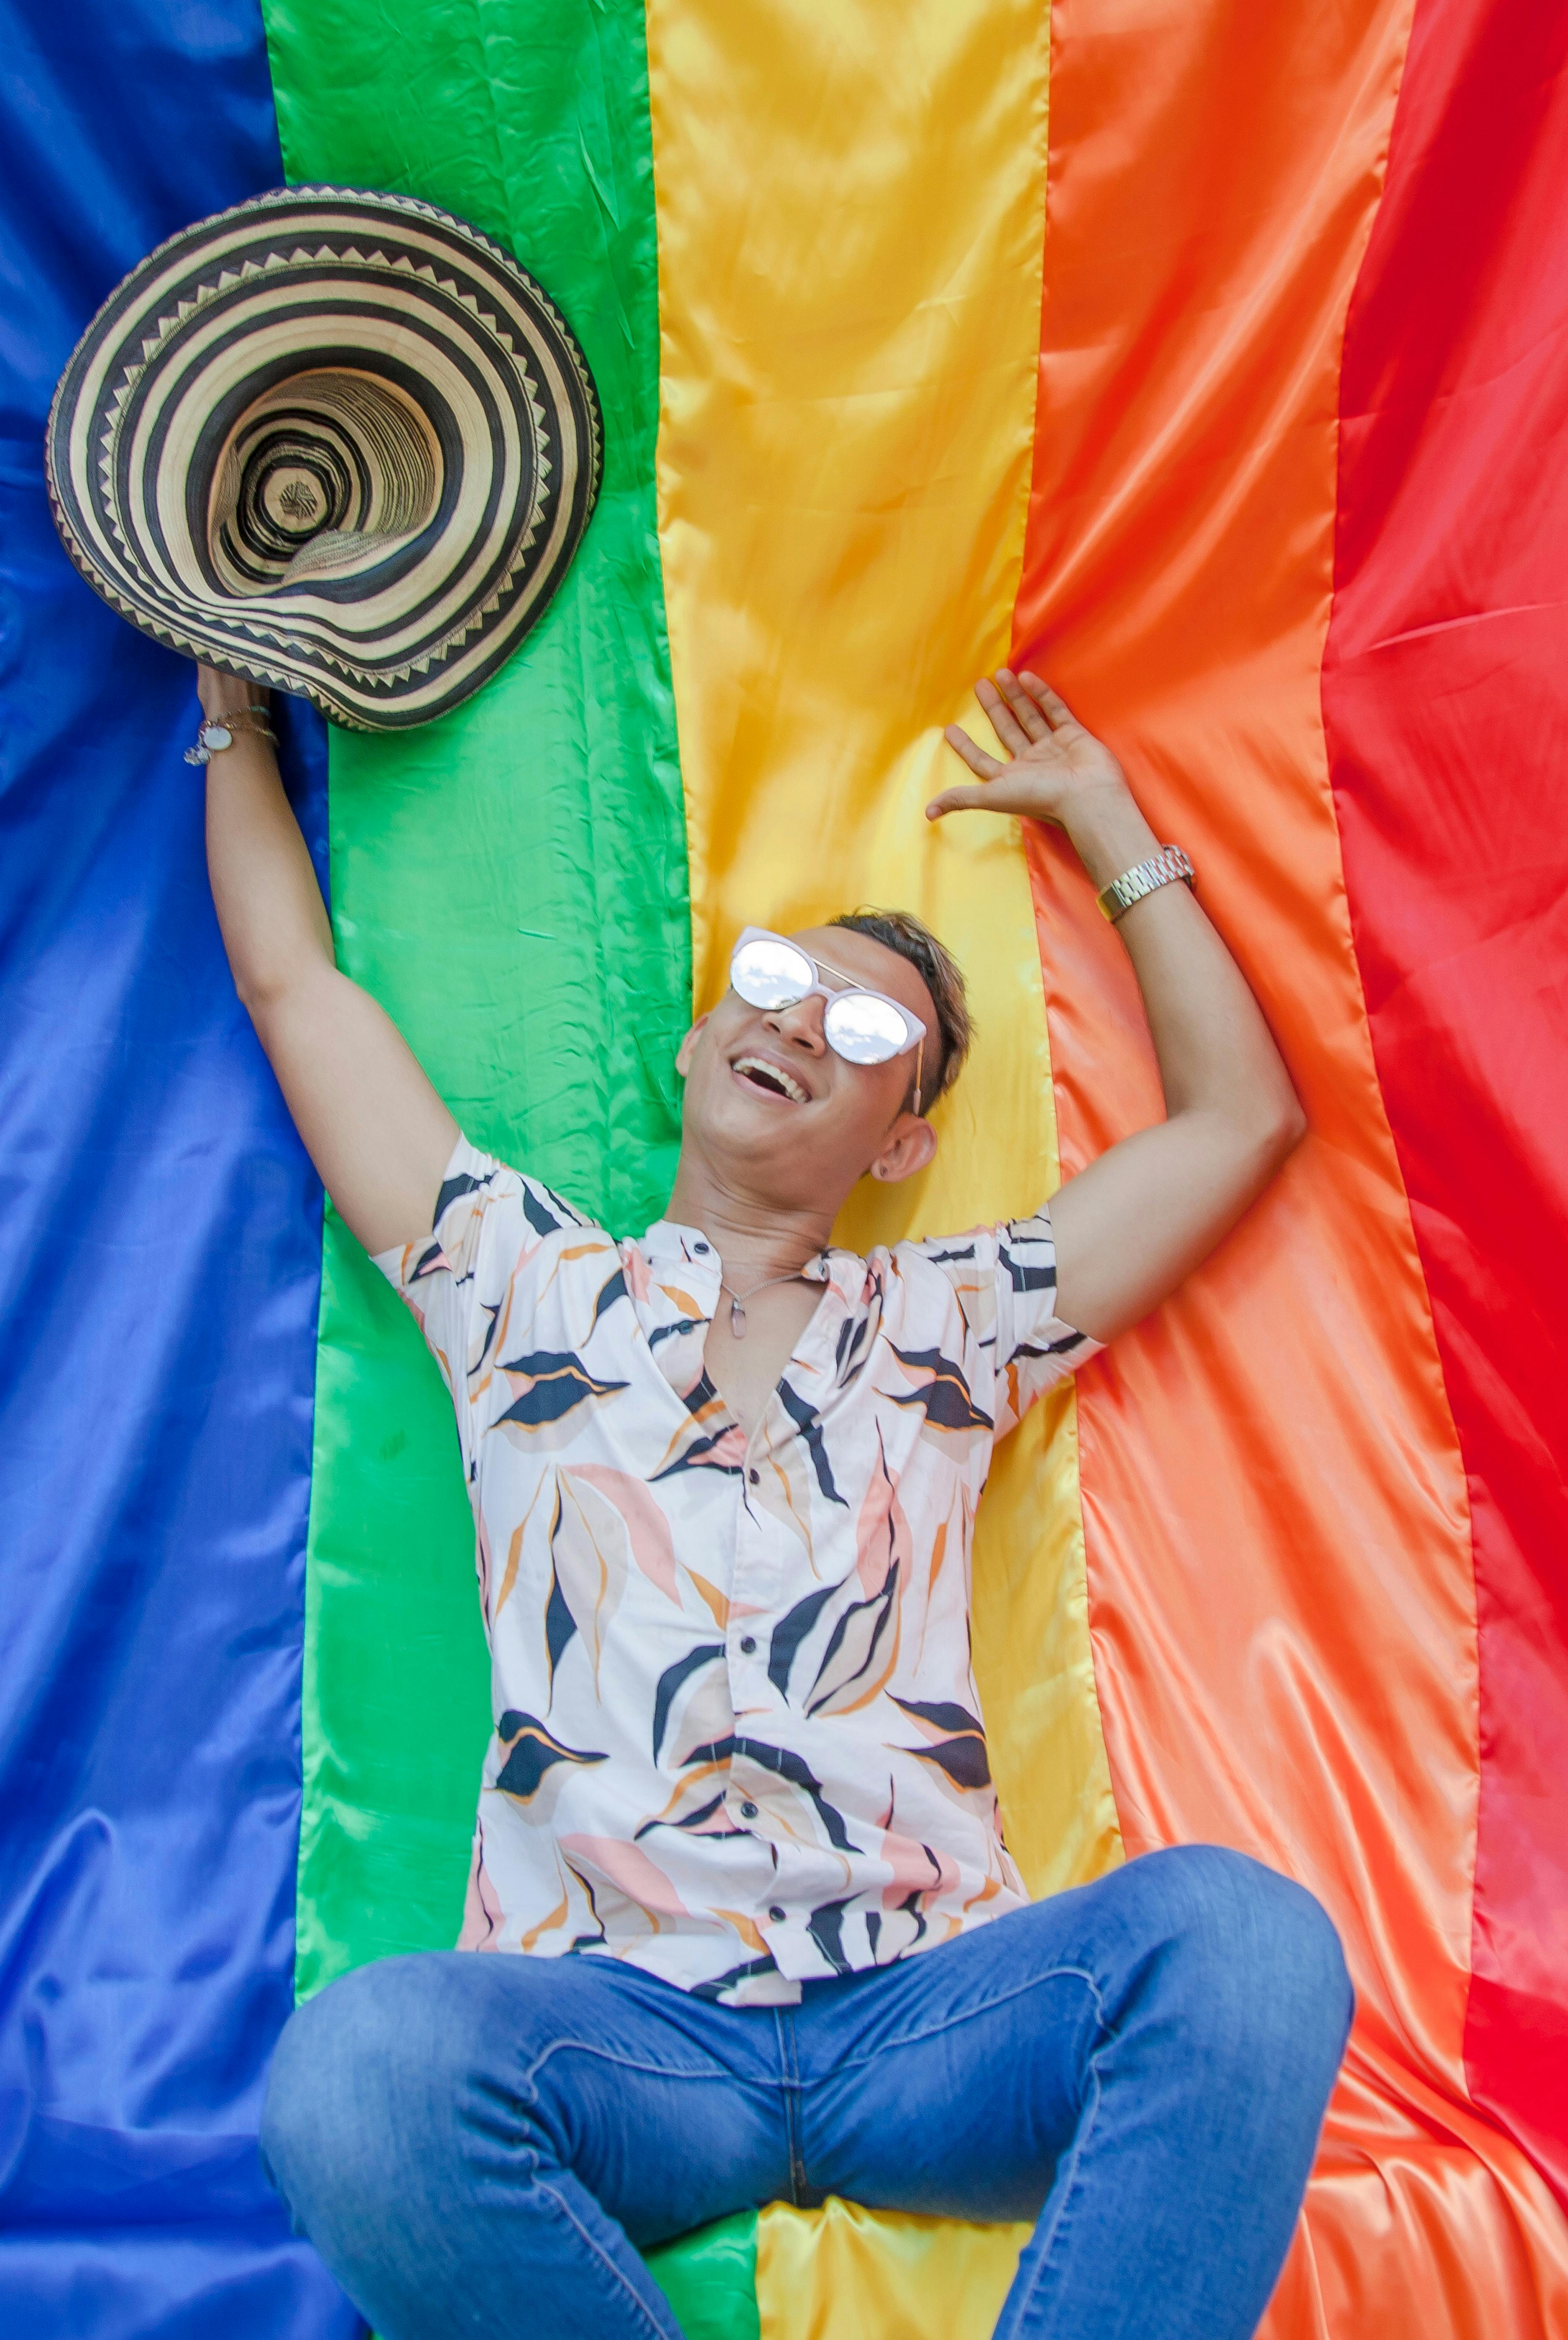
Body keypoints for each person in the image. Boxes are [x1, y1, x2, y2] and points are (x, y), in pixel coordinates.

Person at [198, 656, 1351, 2340]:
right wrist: (233, 700)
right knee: (355, 2074)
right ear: (699, 1037)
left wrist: (1110, 819)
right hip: (621, 2034)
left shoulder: (950, 1322)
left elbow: (1244, 1120)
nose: (802, 1021)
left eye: (870, 1030)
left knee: (1247, 1944)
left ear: (900, 1140)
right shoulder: (515, 1279)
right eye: (772, 984)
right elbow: (297, 986)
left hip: (930, 2018)